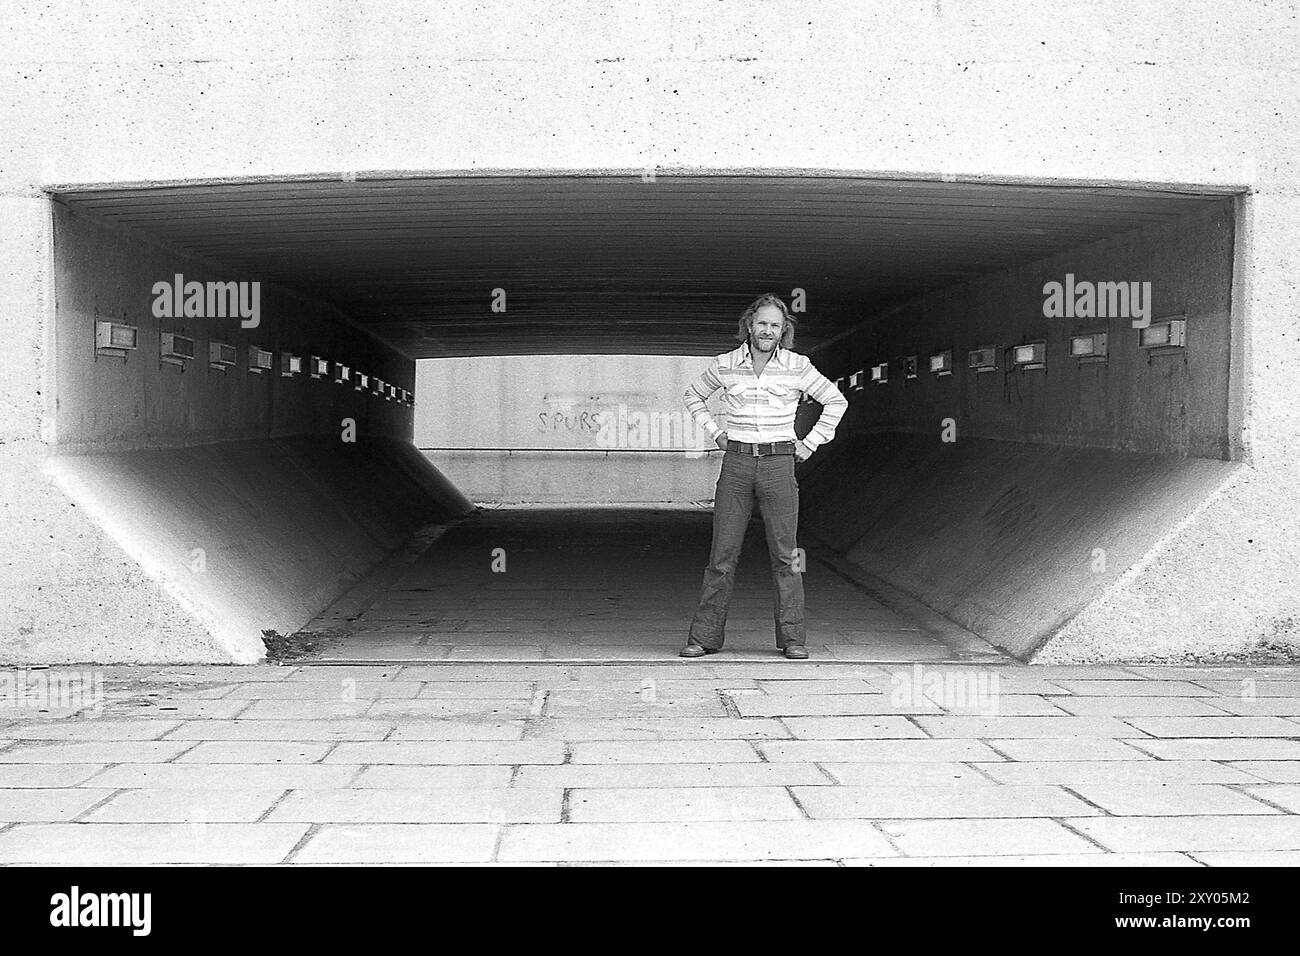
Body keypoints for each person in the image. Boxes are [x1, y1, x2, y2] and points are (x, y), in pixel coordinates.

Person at [680, 293, 848, 660]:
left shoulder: (798, 366)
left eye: (775, 325)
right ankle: (704, 637)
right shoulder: (724, 365)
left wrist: (812, 443)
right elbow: (693, 395)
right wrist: (715, 432)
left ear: (783, 329)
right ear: (749, 326)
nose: (767, 330)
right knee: (722, 554)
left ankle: (792, 639)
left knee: (787, 555)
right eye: (761, 324)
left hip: (779, 464)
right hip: (737, 463)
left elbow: (836, 400)